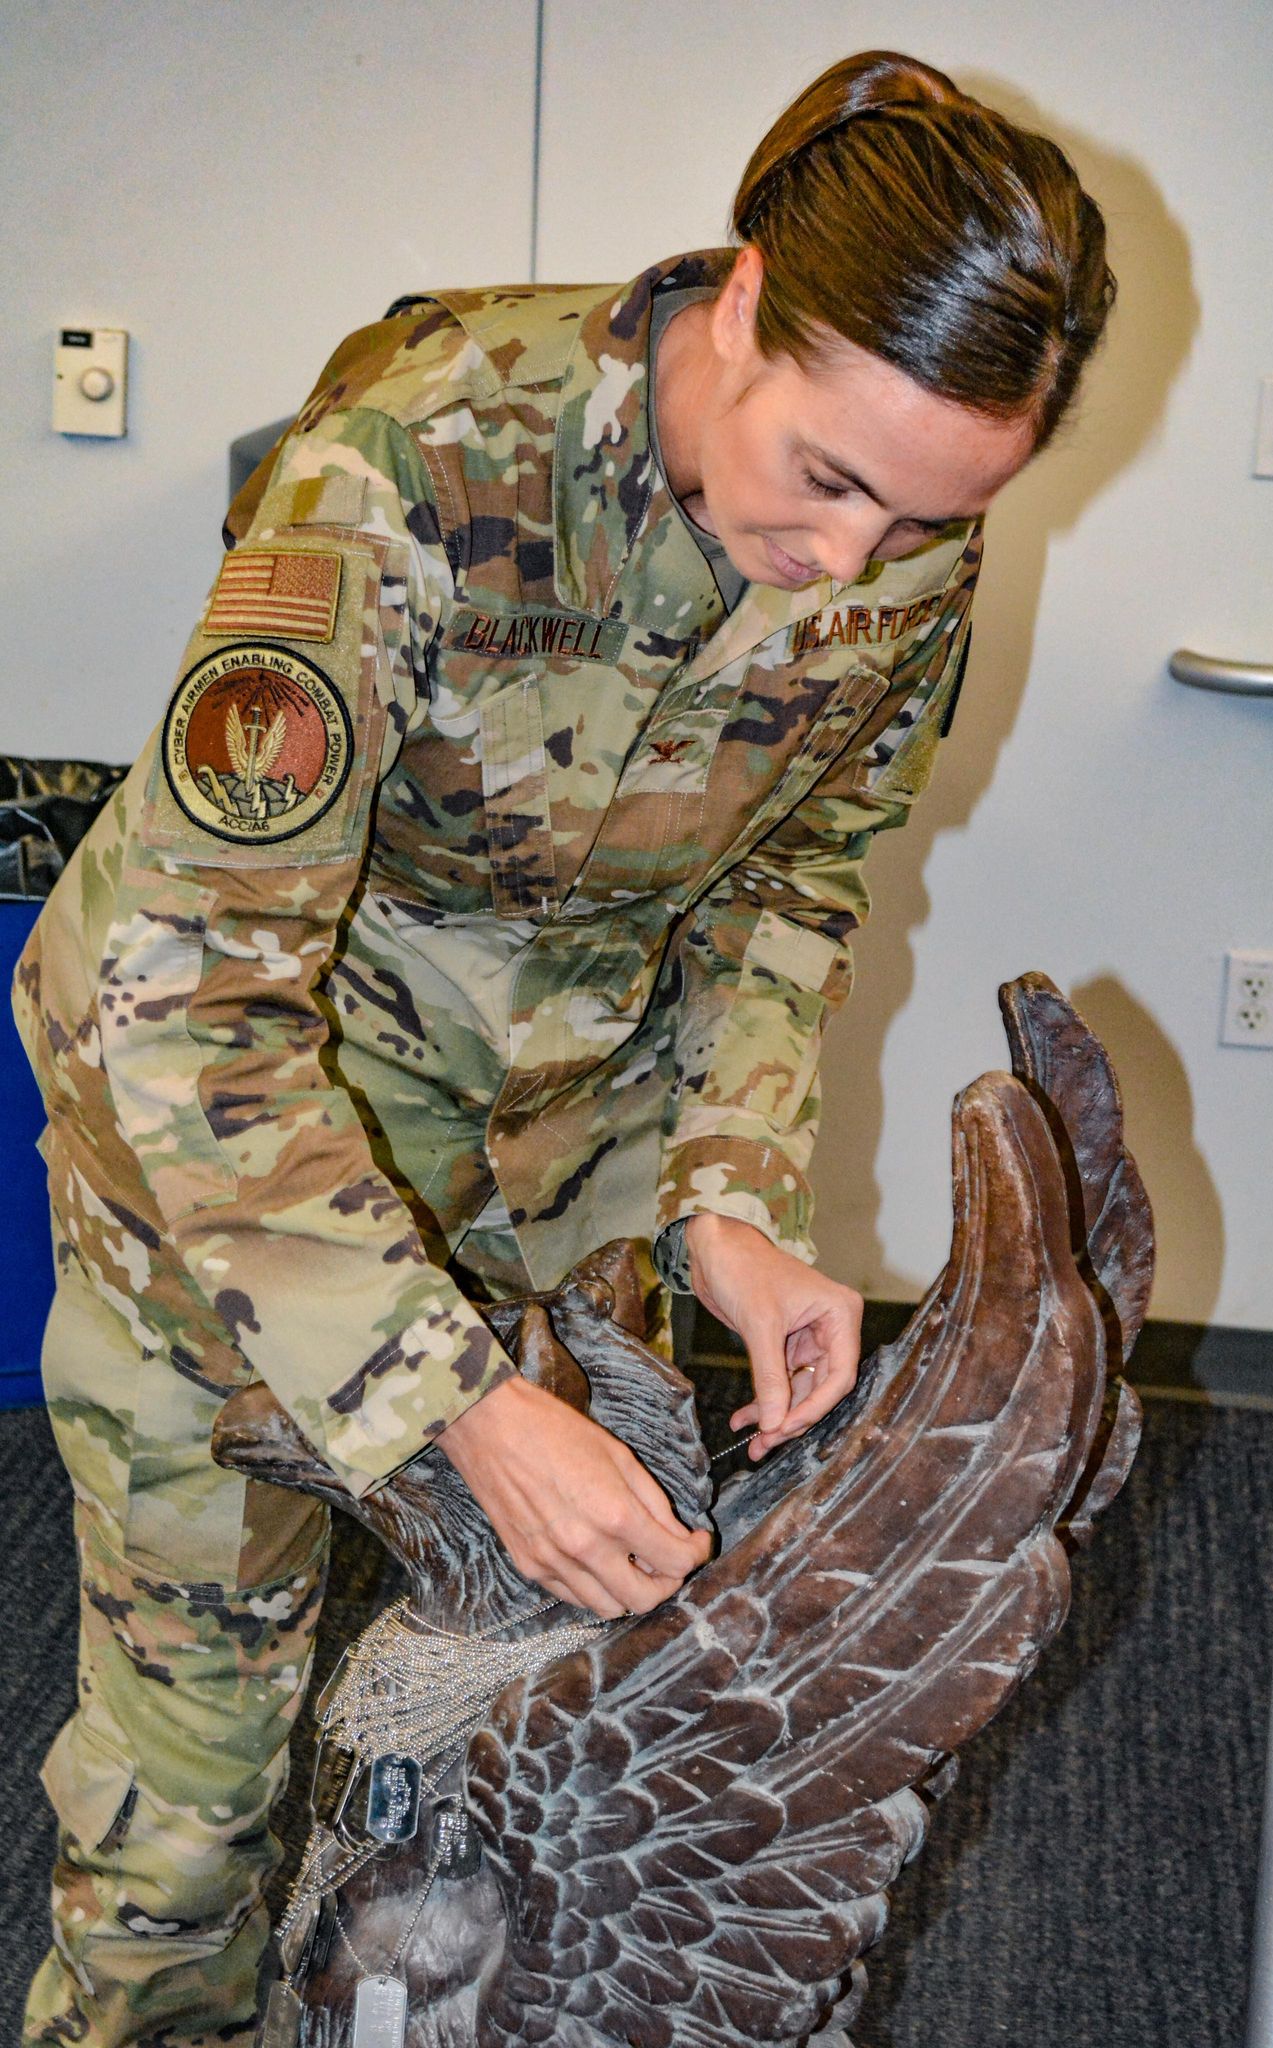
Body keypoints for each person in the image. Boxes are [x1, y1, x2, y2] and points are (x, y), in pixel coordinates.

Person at [15, 47, 1115, 2048]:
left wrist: (728, 1202)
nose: (859, 560)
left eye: (939, 514)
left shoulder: (904, 547)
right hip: (242, 1148)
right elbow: (178, 995)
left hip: (555, 1151)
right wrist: (451, 1397)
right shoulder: (409, 475)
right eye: (834, 481)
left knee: (542, 1768)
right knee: (194, 1793)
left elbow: (791, 899)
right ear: (755, 302)